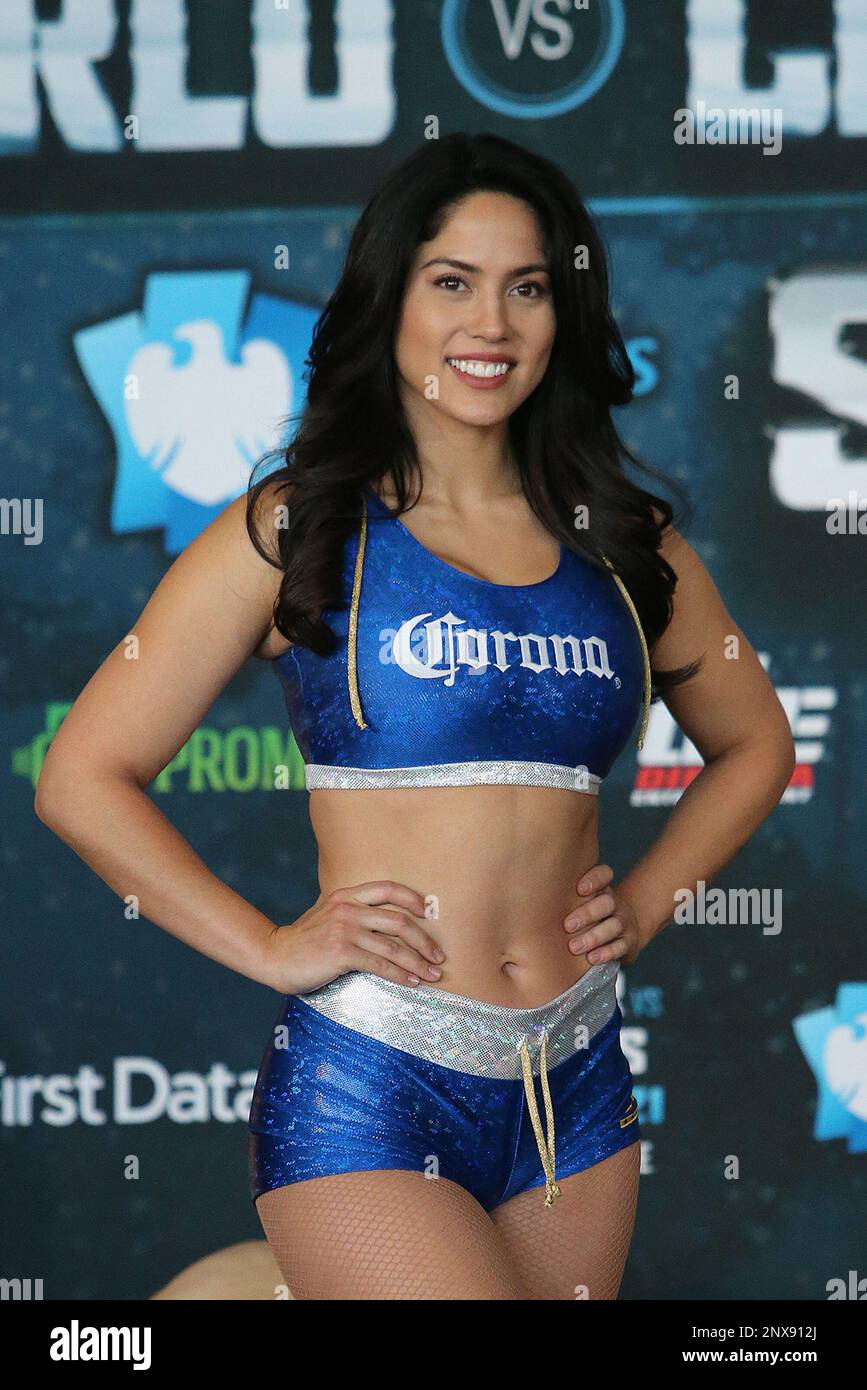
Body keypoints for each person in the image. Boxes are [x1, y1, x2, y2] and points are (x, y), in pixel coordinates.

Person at [35, 133, 795, 1302]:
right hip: (373, 1076)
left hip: (577, 1083)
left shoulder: (627, 544)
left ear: (564, 310)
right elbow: (81, 773)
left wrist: (646, 901)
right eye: (452, 281)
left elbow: (758, 745)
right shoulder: (304, 526)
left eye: (527, 287)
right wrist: (271, 945)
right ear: (390, 298)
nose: (490, 324)